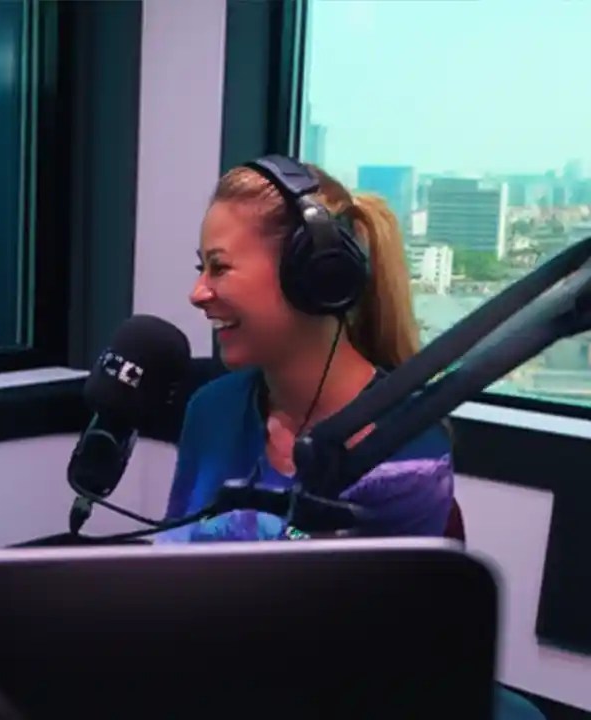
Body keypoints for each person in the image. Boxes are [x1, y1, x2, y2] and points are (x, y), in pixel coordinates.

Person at [158, 154, 454, 542]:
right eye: (202, 269)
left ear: (312, 274)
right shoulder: (212, 410)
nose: (197, 294)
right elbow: (173, 566)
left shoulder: (409, 458)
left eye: (220, 267)